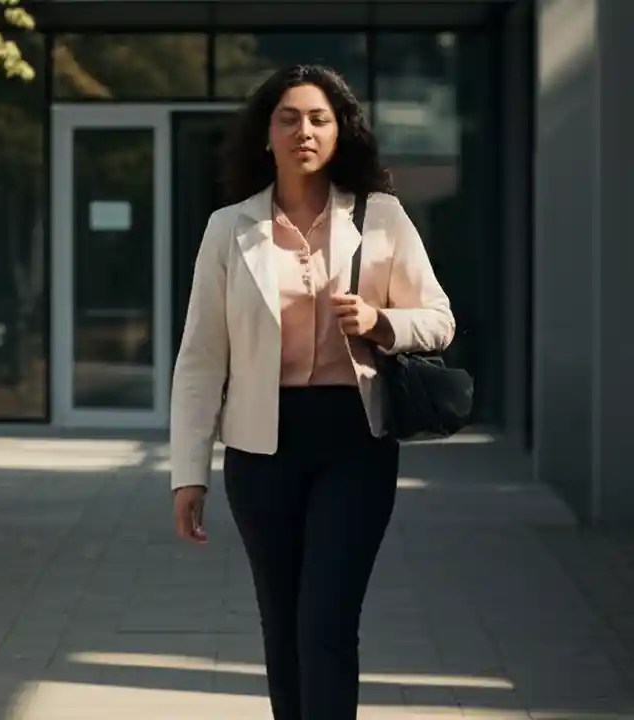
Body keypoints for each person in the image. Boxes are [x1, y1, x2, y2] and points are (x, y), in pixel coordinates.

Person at [169, 64, 455, 720]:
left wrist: (383, 322)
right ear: (265, 136)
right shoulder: (228, 229)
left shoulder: (381, 218)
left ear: (340, 132)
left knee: (325, 622)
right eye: (289, 118)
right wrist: (189, 474)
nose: (304, 130)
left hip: (355, 441)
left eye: (318, 118)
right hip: (259, 446)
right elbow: (200, 360)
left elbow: (439, 318)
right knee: (282, 624)